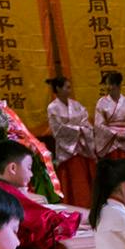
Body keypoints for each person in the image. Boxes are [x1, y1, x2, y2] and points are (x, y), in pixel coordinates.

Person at [44, 76, 94, 207]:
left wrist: (81, 129)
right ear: (58, 89)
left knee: (84, 178)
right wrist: (78, 129)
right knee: (72, 178)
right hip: (67, 149)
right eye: (67, 87)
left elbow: (85, 122)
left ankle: (87, 203)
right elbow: (58, 129)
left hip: (81, 147)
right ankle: (73, 204)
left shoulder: (76, 105)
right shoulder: (52, 108)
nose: (69, 90)